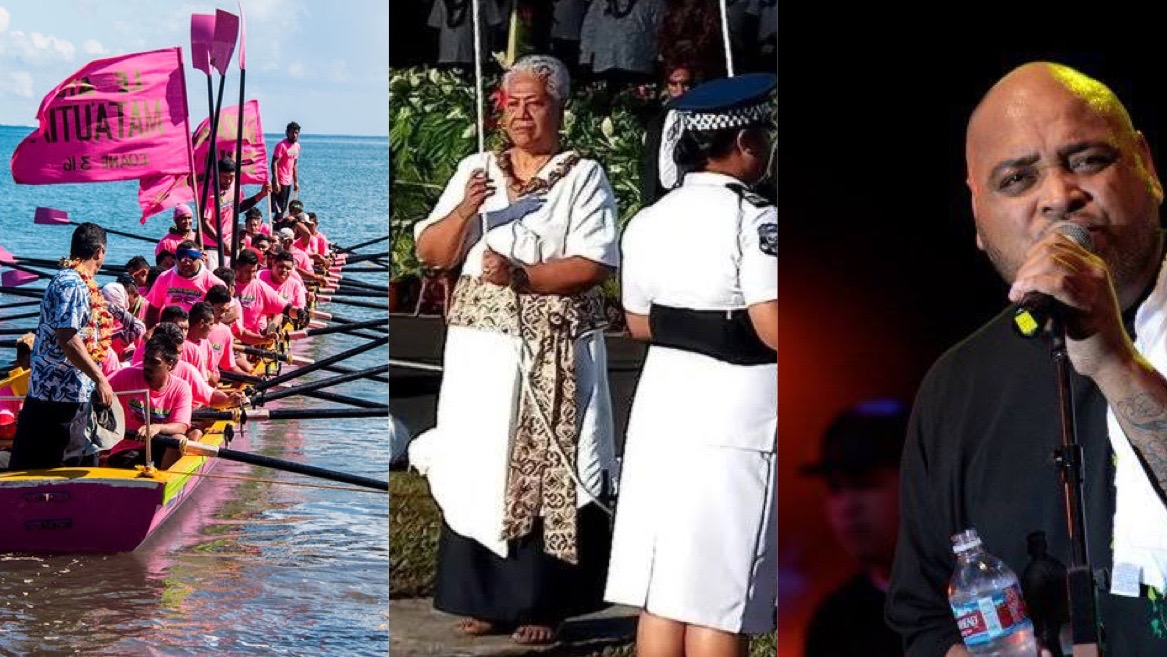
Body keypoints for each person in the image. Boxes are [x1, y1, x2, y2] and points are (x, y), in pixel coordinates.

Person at [886, 62, 1167, 655]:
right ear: (978, 217)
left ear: (1147, 165)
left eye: (1088, 159)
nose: (1059, 197)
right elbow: (923, 615)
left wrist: (1114, 361)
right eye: (1017, 179)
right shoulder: (958, 387)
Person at [409, 53, 619, 646]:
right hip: (482, 350)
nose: (522, 114)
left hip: (552, 347)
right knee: (479, 457)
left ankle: (543, 602)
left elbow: (595, 262)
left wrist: (524, 276)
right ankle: (481, 597)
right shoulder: (477, 168)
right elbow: (432, 252)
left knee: (552, 466)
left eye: (536, 102)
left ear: (558, 108)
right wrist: (467, 209)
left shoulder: (583, 175)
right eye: (514, 102)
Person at [605, 73, 777, 657]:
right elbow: (772, 325)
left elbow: (639, 322)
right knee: (720, 598)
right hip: (736, 418)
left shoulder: (648, 221)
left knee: (666, 593)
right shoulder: (756, 221)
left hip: (664, 407)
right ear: (748, 144)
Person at [802, 400, 907, 657]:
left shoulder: (977, 590)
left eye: (864, 484)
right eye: (834, 488)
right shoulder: (836, 621)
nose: (847, 506)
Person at [7, 222, 116, 470]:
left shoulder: (66, 279)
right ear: (99, 252)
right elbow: (68, 338)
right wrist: (99, 378)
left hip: (48, 393)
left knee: (31, 466)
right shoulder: (74, 284)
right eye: (103, 255)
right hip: (61, 399)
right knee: (58, 469)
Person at [200, 156, 270, 266]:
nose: (228, 180)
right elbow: (204, 223)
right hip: (212, 247)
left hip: (231, 245)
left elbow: (238, 207)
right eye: (224, 177)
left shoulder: (234, 187)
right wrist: (222, 243)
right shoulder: (208, 193)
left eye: (231, 177)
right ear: (217, 174)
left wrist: (261, 195)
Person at [144, 240, 227, 326]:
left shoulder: (214, 283)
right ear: (175, 259)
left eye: (192, 258)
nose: (187, 263)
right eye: (182, 258)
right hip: (172, 331)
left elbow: (230, 313)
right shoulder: (164, 278)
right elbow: (153, 310)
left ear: (200, 258)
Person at [270, 121, 301, 217]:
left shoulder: (297, 146)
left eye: (296, 133)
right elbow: (274, 162)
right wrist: (275, 181)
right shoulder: (281, 145)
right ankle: (275, 227)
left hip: (288, 181)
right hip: (280, 180)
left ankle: (278, 227)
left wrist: (296, 182)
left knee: (284, 207)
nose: (294, 135)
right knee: (278, 208)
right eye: (292, 132)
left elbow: (294, 164)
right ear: (287, 132)